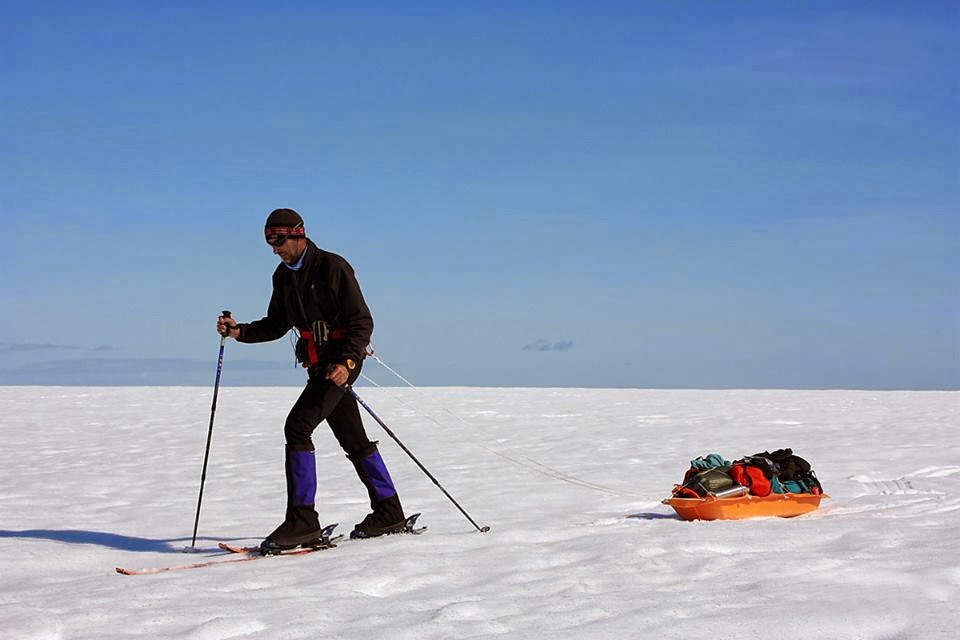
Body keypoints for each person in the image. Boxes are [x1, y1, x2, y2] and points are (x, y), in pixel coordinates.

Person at [216, 208, 407, 552]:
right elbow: (276, 324)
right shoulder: (283, 276)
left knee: (298, 427)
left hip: (342, 362)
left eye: (279, 240)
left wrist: (348, 362)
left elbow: (362, 321)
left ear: (299, 233)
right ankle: (389, 510)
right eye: (269, 242)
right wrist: (239, 331)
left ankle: (303, 521)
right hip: (318, 366)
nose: (275, 248)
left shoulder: (333, 267)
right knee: (353, 438)